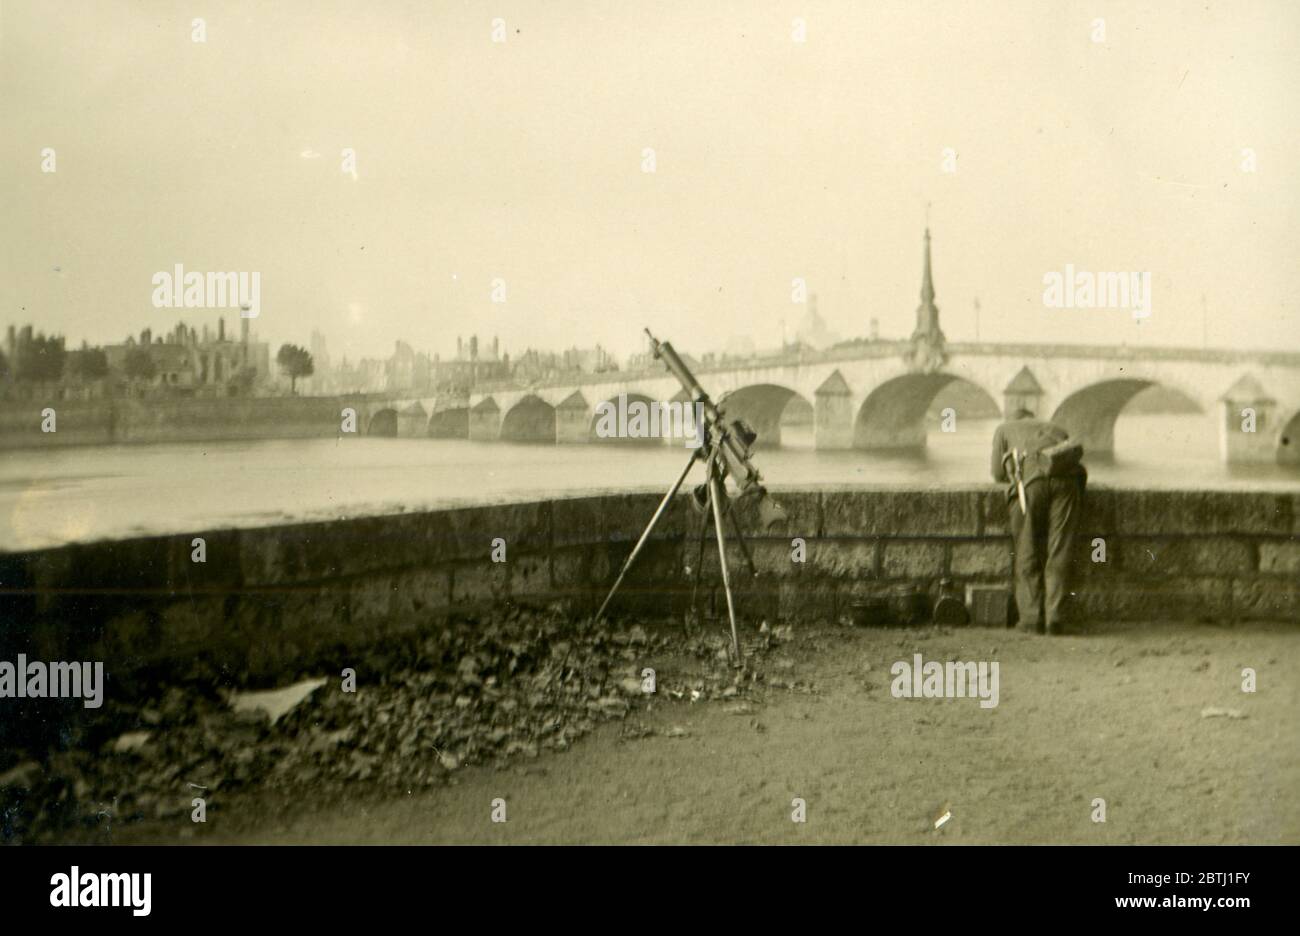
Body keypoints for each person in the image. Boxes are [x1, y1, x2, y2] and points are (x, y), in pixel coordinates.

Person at [990, 408, 1086, 634]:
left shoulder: (1004, 429)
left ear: (1014, 418)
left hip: (1032, 484)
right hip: (1067, 484)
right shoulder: (1057, 428)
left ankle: (1031, 619)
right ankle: (1055, 618)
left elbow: (996, 473)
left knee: (1027, 550)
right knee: (1059, 550)